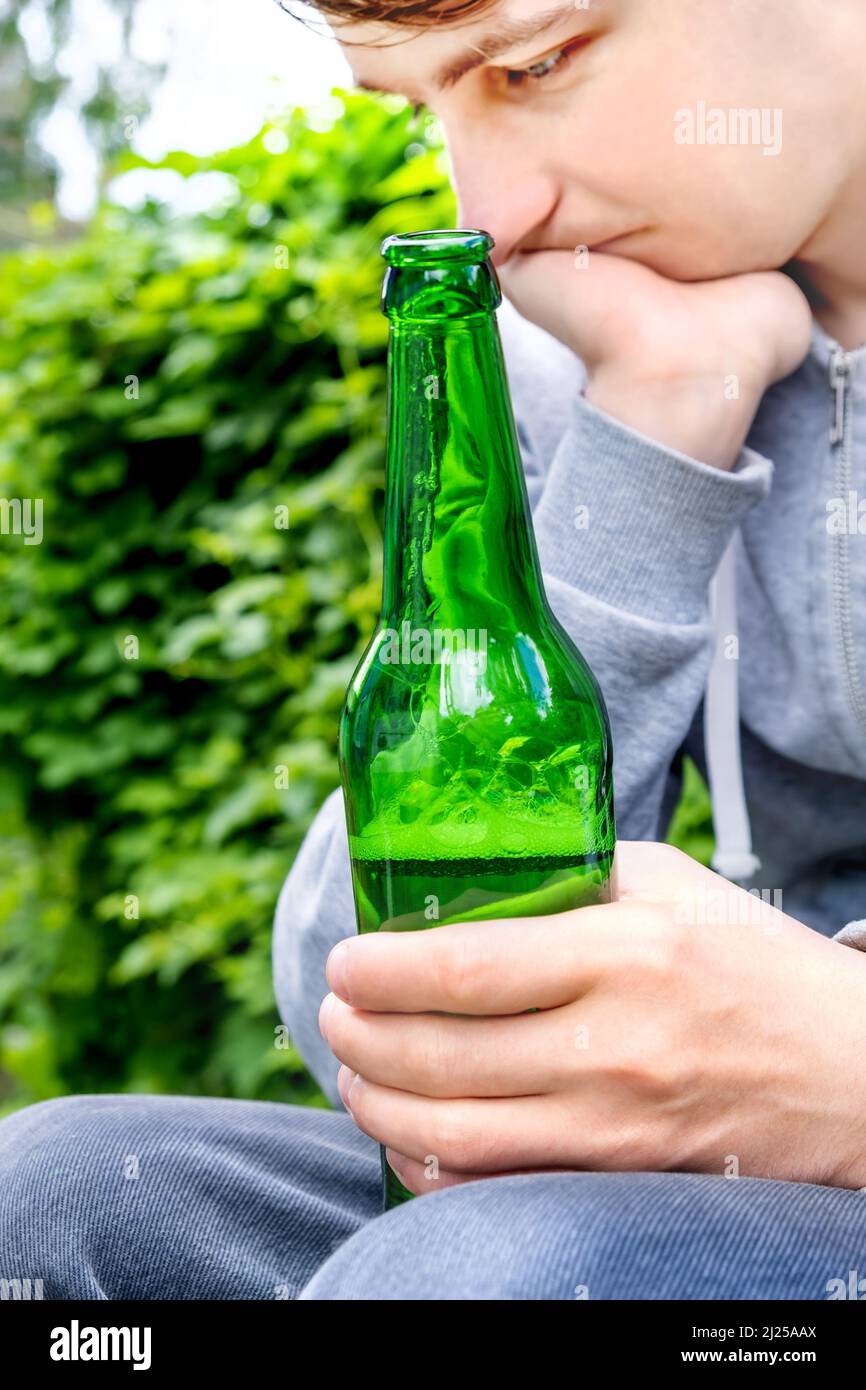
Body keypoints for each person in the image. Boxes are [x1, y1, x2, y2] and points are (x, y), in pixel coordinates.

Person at [2, 0, 866, 1301]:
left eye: (531, 62)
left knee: (477, 1272)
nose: (493, 209)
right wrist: (656, 423)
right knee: (48, 1200)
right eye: (418, 109)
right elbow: (368, 990)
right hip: (718, 1194)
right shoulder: (581, 348)